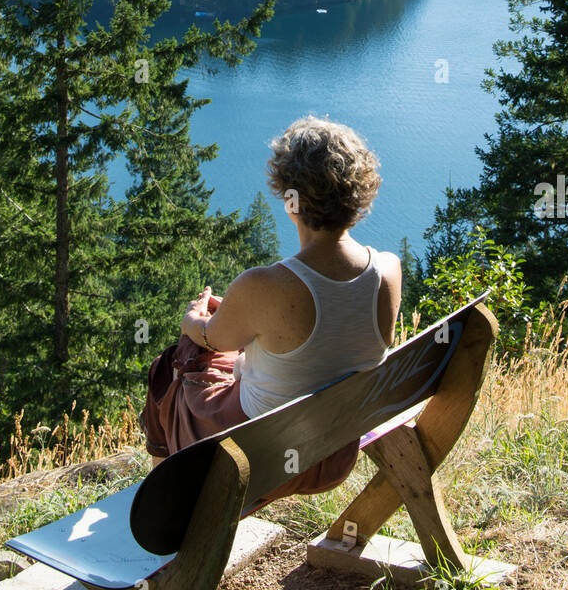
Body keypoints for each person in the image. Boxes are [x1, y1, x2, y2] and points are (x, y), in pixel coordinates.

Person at [139, 115, 402, 508]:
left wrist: (194, 319)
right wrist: (251, 315)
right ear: (358, 193)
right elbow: (335, 334)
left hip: (256, 459)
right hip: (330, 457)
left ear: (289, 198)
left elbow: (213, 338)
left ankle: (166, 509)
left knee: (171, 364)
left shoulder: (265, 285)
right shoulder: (387, 271)